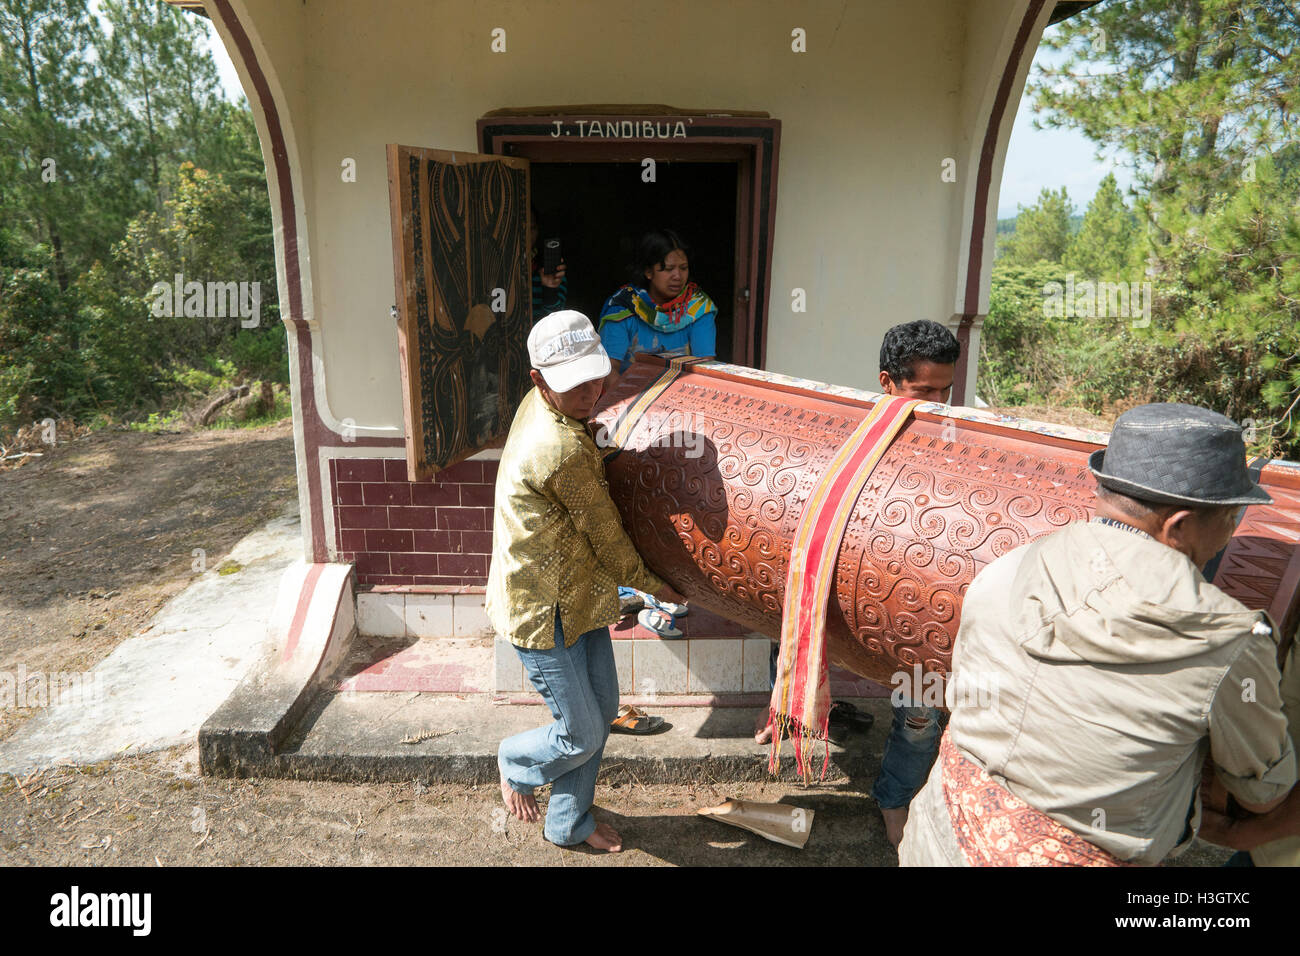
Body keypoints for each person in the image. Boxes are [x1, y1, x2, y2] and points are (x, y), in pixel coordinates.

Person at [899, 403, 1297, 866]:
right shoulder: (1229, 639)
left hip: (937, 836)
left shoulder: (1008, 566)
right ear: (1179, 525)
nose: (1232, 532)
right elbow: (1263, 792)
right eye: (1232, 517)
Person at [754, 319, 959, 851]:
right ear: (887, 383)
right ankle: (790, 714)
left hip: (922, 604)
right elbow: (802, 549)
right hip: (853, 594)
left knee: (920, 715)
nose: (938, 403)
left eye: (946, 390)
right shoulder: (843, 440)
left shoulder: (957, 440)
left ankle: (895, 796)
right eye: (925, 392)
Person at [488, 310, 685, 852]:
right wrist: (657, 587)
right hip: (542, 607)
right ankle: (516, 761)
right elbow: (609, 541)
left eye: (595, 376)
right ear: (538, 379)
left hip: (577, 591)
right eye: (573, 383)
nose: (590, 392)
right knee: (581, 731)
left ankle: (567, 823)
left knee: (598, 715)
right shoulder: (561, 449)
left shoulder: (548, 408)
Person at [598, 229, 716, 637]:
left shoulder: (700, 308)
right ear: (649, 270)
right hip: (627, 422)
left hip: (681, 423)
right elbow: (611, 371)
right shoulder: (622, 308)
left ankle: (666, 588)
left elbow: (704, 369)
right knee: (625, 504)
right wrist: (627, 422)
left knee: (670, 505)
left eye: (683, 267)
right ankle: (628, 587)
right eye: (668, 267)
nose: (678, 275)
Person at [529, 207, 567, 320]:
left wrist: (550, 289)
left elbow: (554, 323)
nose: (527, 233)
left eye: (532, 228)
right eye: (522, 227)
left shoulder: (553, 273)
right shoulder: (497, 268)